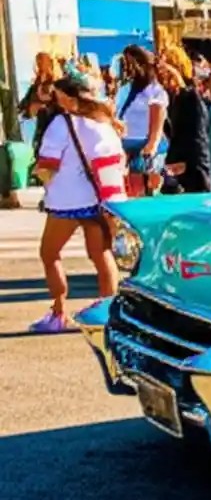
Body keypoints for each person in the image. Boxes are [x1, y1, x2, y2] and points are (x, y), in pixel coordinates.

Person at [29, 75, 127, 333]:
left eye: (59, 95)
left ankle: (59, 311)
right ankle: (109, 312)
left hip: (66, 201)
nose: (56, 100)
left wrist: (42, 177)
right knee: (102, 255)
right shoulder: (104, 122)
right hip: (99, 201)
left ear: (70, 97)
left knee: (49, 254)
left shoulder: (62, 123)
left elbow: (48, 164)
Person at [115, 45, 169, 196]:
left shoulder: (155, 91)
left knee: (144, 191)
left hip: (144, 146)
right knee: (129, 191)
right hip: (126, 145)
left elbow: (157, 122)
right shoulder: (124, 89)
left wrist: (150, 148)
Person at [158, 48, 211, 194]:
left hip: (191, 167)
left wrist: (187, 164)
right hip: (173, 166)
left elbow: (198, 137)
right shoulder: (169, 97)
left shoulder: (190, 97)